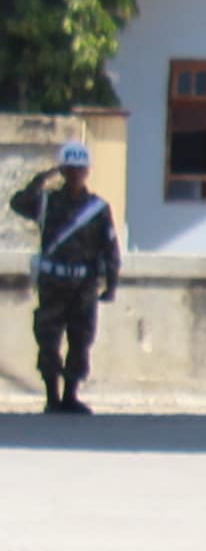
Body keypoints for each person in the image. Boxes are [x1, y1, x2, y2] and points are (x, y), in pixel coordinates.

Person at [16, 136, 118, 416]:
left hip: (83, 285)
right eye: (69, 169)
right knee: (48, 338)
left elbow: (110, 248)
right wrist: (42, 178)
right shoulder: (47, 203)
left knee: (81, 339)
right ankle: (52, 396)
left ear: (86, 172)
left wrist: (111, 284)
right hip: (53, 284)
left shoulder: (97, 209)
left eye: (79, 170)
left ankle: (71, 394)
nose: (74, 175)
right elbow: (18, 203)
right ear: (63, 172)